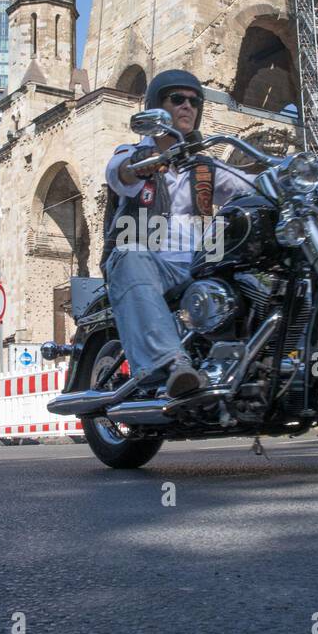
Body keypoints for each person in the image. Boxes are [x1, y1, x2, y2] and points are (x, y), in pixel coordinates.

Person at [102, 69, 255, 397]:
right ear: (157, 107)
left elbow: (248, 184)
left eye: (194, 101)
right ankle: (171, 365)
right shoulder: (134, 153)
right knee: (131, 256)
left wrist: (293, 177)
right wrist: (146, 165)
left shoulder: (204, 165)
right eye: (177, 99)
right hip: (151, 264)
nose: (188, 106)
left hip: (198, 267)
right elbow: (119, 174)